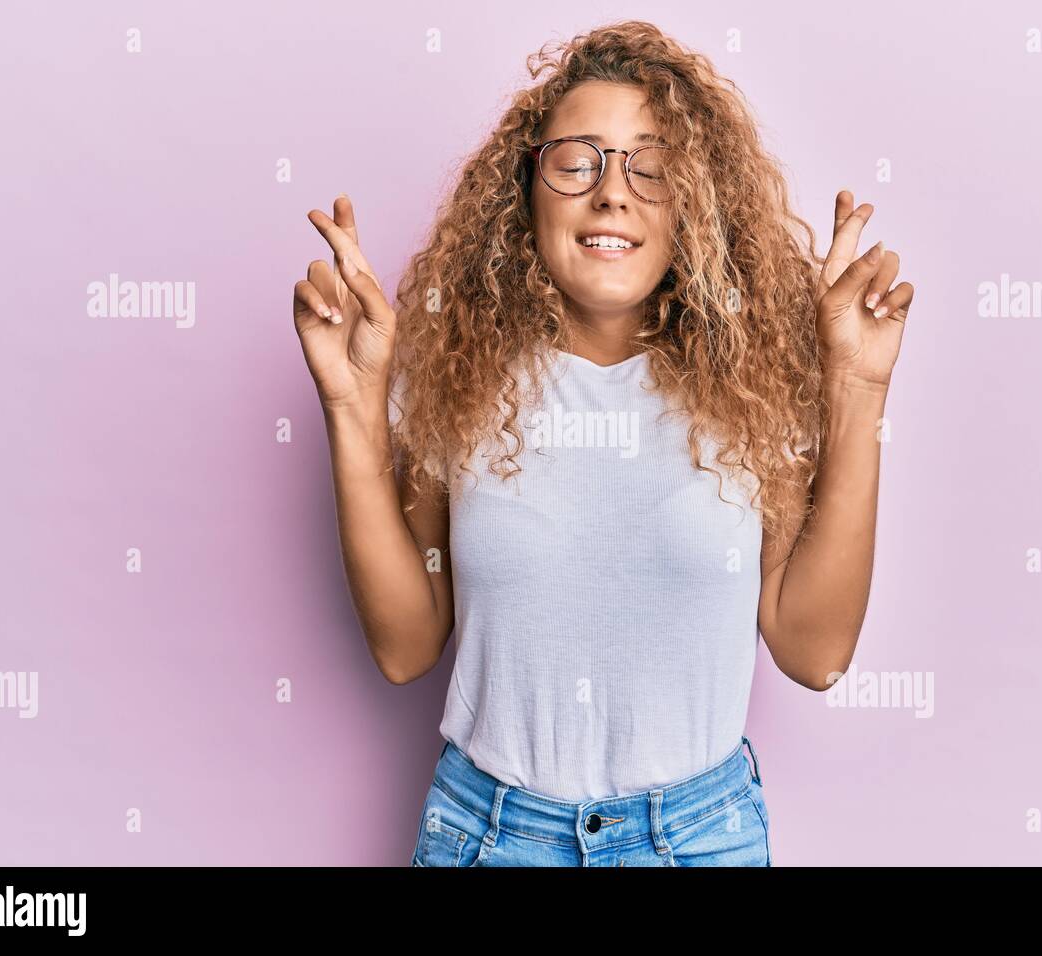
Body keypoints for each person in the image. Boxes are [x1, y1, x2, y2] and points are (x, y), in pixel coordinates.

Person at [292, 20, 914, 866]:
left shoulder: (758, 397)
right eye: (577, 161)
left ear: (692, 203)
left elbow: (816, 652)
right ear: (527, 194)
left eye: (650, 166)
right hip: (488, 836)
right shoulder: (461, 384)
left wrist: (857, 386)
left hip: (701, 839)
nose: (612, 193)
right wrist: (353, 406)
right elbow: (406, 648)